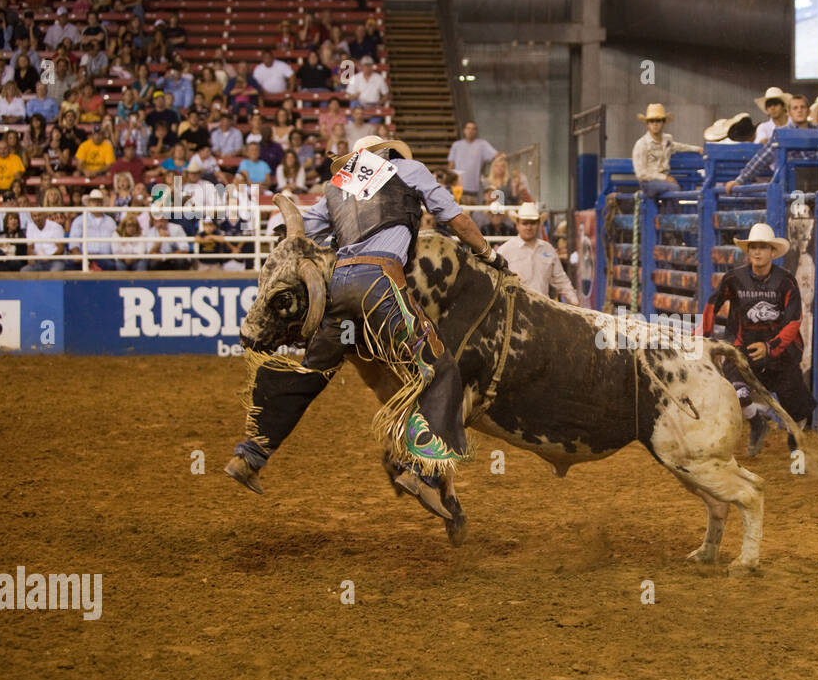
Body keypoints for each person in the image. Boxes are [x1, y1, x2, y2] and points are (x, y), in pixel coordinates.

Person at [225, 134, 511, 526]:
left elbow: (291, 226)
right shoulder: (408, 170)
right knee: (441, 370)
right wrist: (490, 254)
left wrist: (288, 232)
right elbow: (455, 218)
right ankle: (425, 472)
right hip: (381, 283)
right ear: (388, 154)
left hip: (340, 287)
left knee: (310, 374)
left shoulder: (339, 187)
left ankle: (250, 456)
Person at [700, 221, 815, 455]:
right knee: (736, 391)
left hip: (780, 353)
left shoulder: (786, 282)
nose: (757, 252)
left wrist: (770, 347)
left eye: (762, 247)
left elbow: (794, 321)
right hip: (743, 348)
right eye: (753, 247)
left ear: (772, 252)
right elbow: (712, 304)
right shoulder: (734, 279)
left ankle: (795, 440)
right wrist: (702, 336)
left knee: (796, 406)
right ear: (748, 251)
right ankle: (757, 423)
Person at [497, 202, 579, 304]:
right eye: (525, 223)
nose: (529, 227)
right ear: (517, 225)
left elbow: (560, 280)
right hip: (515, 308)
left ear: (539, 224)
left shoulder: (548, 249)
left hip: (543, 309)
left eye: (533, 223)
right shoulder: (505, 251)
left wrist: (574, 301)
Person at [631, 103, 703, 203]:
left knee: (671, 188)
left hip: (664, 181)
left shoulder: (667, 139)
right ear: (647, 124)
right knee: (673, 188)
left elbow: (679, 146)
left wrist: (697, 149)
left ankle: (665, 216)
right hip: (648, 183)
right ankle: (671, 218)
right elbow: (641, 174)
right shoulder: (642, 144)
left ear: (663, 123)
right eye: (651, 121)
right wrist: (665, 178)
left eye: (658, 120)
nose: (655, 124)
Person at [67, 189, 123, 270]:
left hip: (105, 258)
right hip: (86, 257)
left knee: (113, 265)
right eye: (94, 201)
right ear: (89, 204)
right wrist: (77, 254)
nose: (97, 204)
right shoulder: (80, 220)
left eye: (99, 201)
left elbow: (117, 240)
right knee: (72, 264)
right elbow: (74, 240)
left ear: (103, 204)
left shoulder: (110, 221)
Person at [447, 121, 498, 206]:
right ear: (464, 130)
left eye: (473, 129)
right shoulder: (456, 145)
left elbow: (496, 155)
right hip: (458, 189)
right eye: (468, 128)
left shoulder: (482, 144)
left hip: (475, 190)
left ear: (476, 131)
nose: (470, 131)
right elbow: (450, 165)